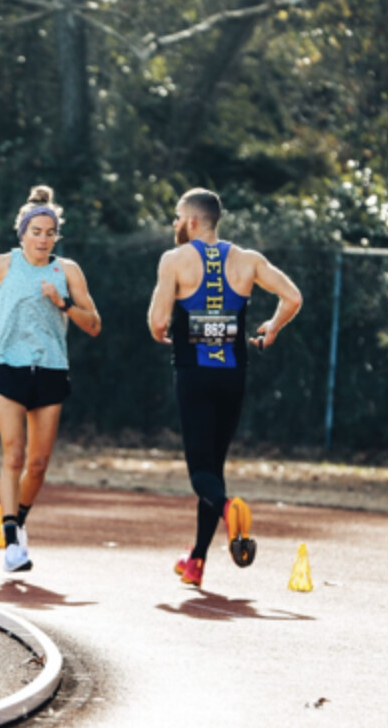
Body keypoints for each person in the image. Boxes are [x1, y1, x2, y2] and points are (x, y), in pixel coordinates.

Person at [147, 187, 302, 587]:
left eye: (178, 217)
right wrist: (272, 328)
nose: (175, 223)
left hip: (194, 375)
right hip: (233, 376)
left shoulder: (175, 260)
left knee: (201, 472)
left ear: (194, 221)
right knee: (214, 466)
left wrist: (165, 330)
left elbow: (157, 322)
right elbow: (292, 297)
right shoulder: (248, 260)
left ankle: (230, 508)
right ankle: (196, 560)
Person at [0, 185, 102, 572]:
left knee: (38, 464)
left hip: (52, 369)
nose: (43, 239)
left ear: (57, 236)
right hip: (9, 364)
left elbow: (94, 325)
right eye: (36, 231)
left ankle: (18, 521)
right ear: (21, 233)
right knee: (14, 455)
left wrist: (64, 304)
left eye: (49, 232)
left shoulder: (67, 271)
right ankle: (11, 544)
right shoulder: (2, 264)